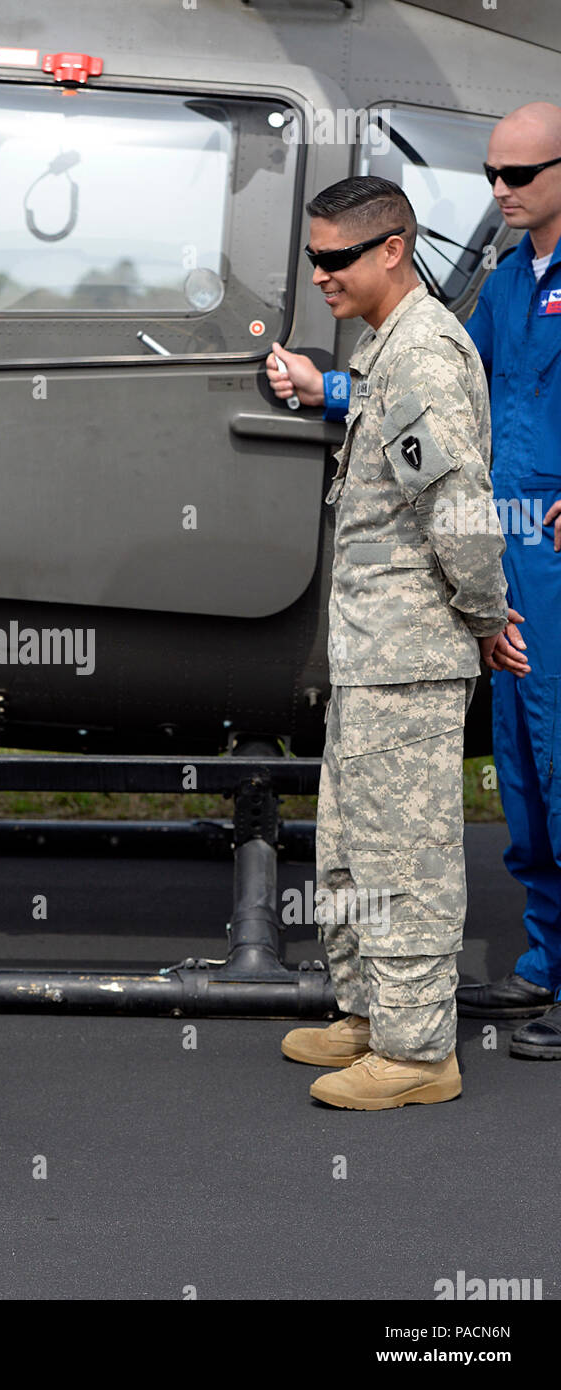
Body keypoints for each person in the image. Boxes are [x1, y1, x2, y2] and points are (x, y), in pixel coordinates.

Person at [272, 105, 561, 1060]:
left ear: (391, 251)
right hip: (450, 585)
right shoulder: (505, 289)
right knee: (477, 795)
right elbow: (427, 427)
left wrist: (482, 613)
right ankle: (404, 1005)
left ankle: (416, 1044)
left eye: (519, 176)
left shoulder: (428, 338)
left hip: (513, 563)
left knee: (450, 826)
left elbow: (448, 481)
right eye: (490, 175)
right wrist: (327, 390)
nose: (500, 193)